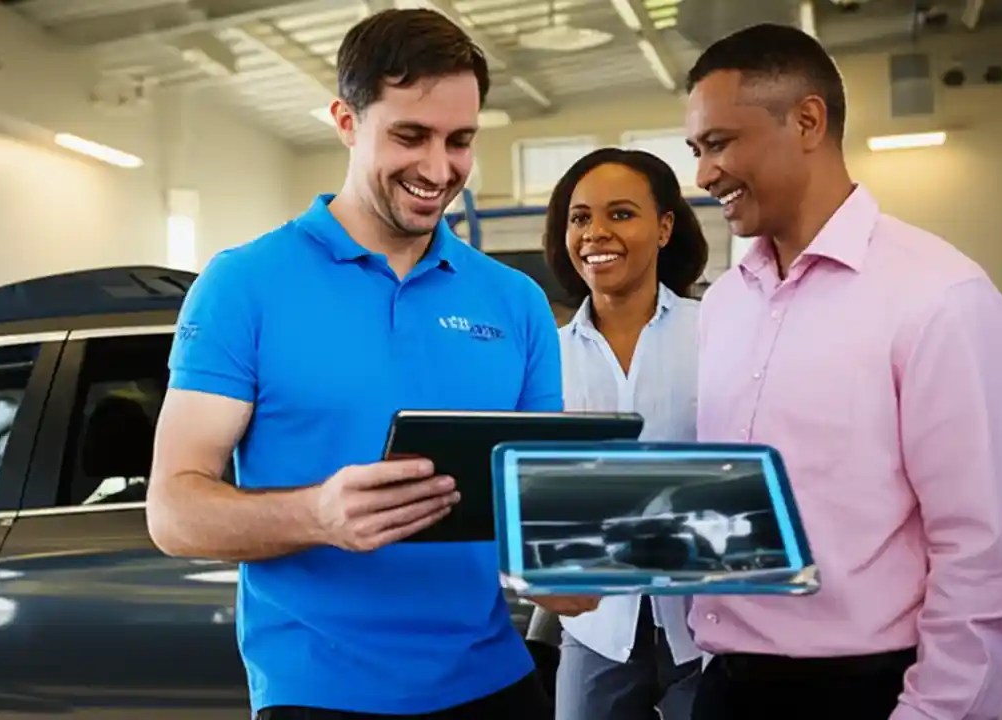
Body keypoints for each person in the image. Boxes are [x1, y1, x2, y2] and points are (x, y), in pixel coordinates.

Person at [145, 8, 564, 719]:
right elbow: (174, 511)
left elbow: (540, 511)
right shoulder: (245, 284)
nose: (439, 169)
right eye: (410, 135)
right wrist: (317, 514)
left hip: (496, 685)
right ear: (345, 120)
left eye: (460, 141)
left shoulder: (516, 302)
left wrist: (578, 565)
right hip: (318, 696)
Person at [683, 23, 1002, 720]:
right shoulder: (726, 303)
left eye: (718, 143)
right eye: (696, 151)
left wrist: (934, 711)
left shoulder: (939, 296)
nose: (703, 175)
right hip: (727, 683)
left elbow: (980, 548)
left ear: (806, 121)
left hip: (865, 691)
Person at [529, 148, 709, 720]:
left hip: (705, 625)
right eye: (580, 218)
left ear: (664, 227)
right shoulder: (545, 356)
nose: (595, 233)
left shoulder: (718, 333)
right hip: (596, 626)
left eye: (621, 214)